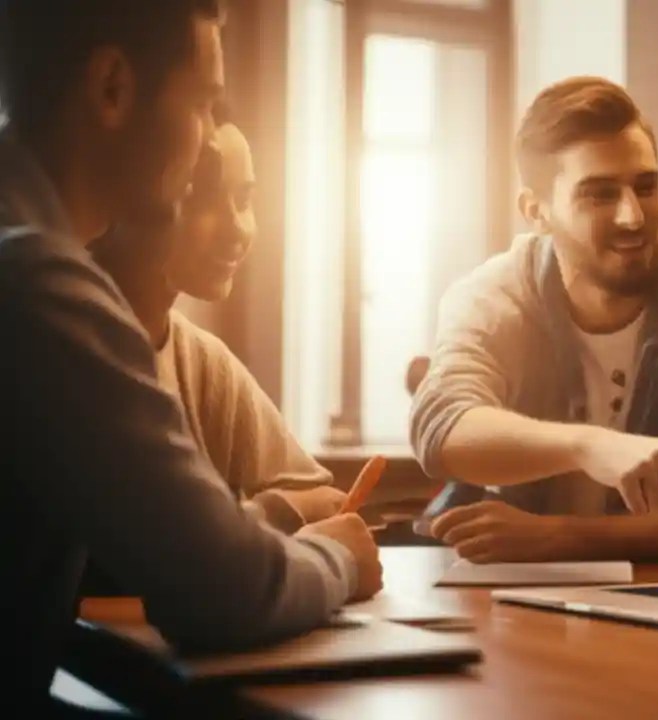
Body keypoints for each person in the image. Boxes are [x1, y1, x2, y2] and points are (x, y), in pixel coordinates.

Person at [0, 0, 381, 708]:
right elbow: (225, 591)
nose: (208, 137)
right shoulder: (39, 289)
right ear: (113, 87)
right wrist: (339, 559)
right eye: (203, 103)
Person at [411, 76, 658, 563]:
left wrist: (560, 537)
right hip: (510, 597)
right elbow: (442, 431)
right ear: (535, 211)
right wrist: (591, 447)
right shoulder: (493, 296)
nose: (632, 217)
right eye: (599, 195)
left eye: (645, 187)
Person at [93, 105, 346, 534]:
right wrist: (248, 524)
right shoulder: (68, 340)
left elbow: (329, 500)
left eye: (244, 200)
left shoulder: (201, 360)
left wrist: (244, 522)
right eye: (203, 199)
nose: (236, 230)